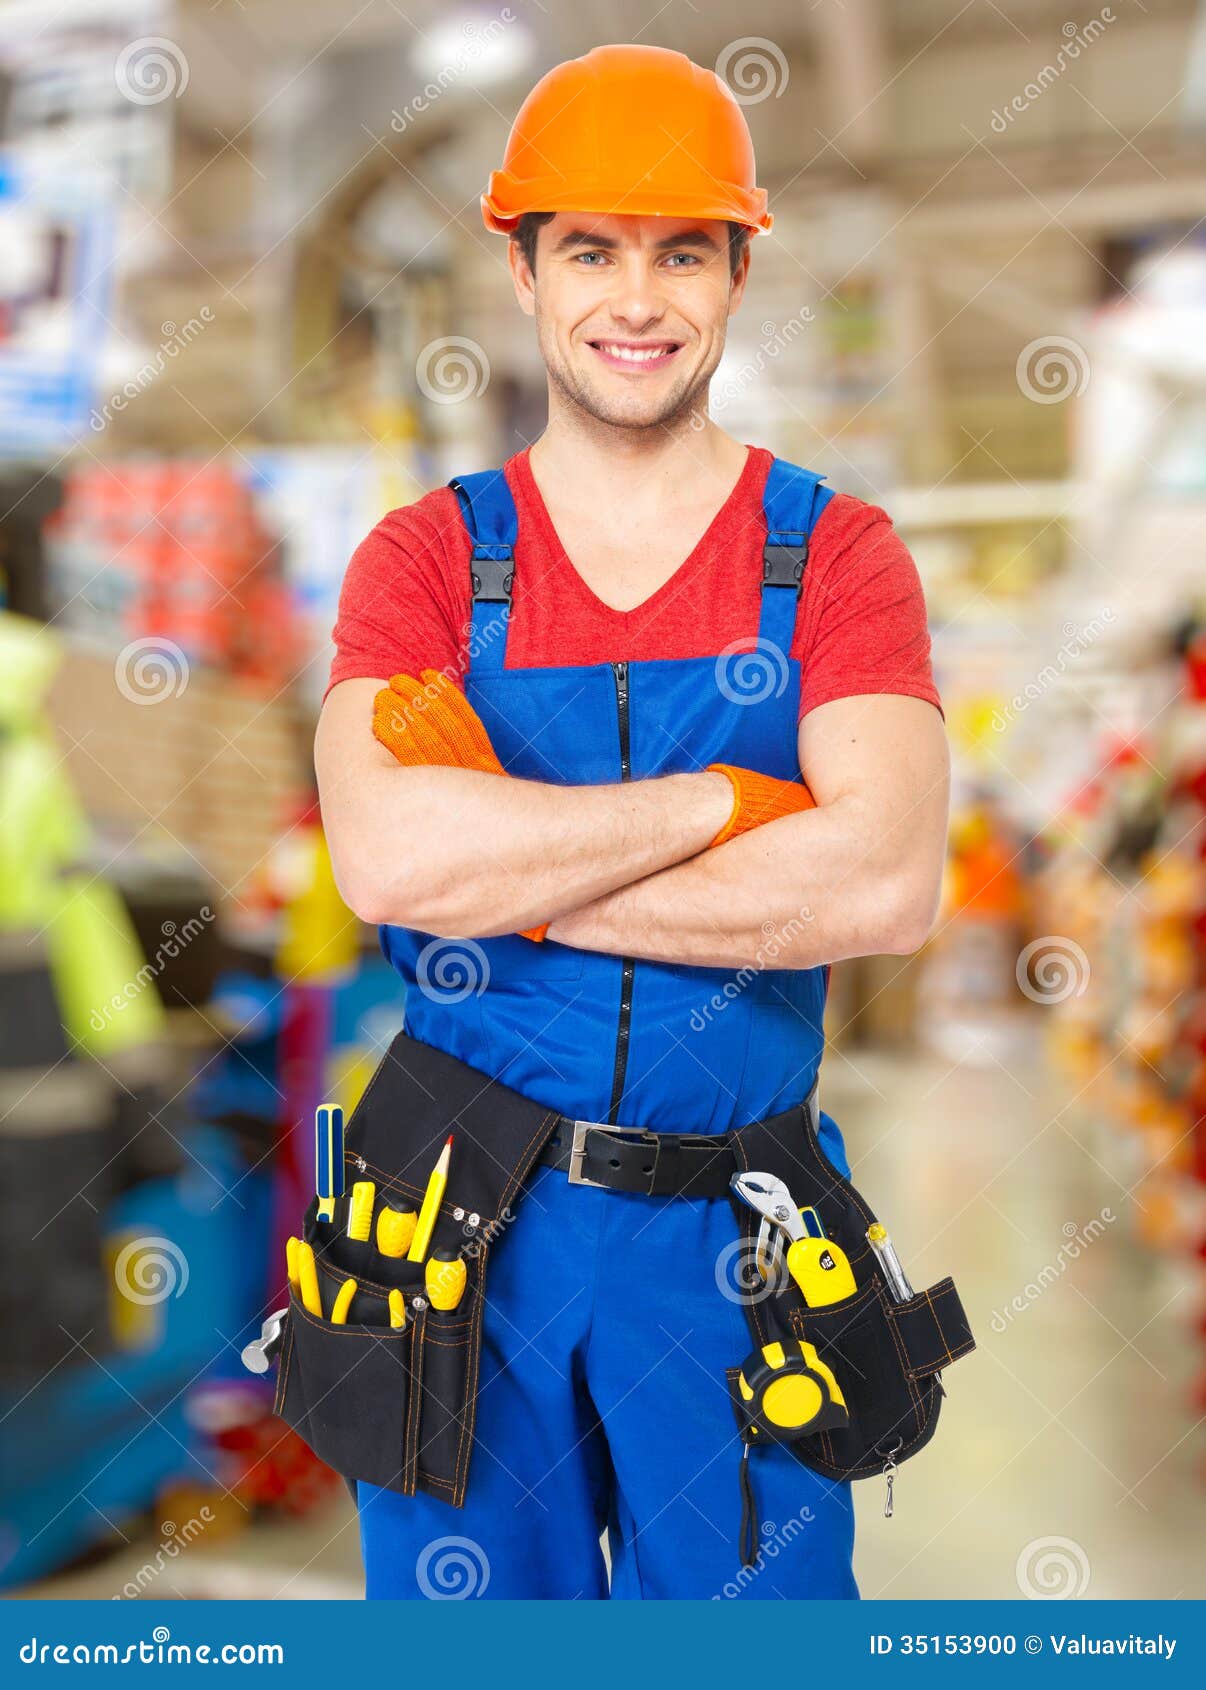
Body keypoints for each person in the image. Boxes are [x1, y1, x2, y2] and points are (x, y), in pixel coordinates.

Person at [315, 43, 948, 1601]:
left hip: (732, 1245)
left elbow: (880, 878)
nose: (635, 297)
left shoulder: (836, 558)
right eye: (588, 249)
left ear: (737, 273)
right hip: (453, 1235)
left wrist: (504, 865)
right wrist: (726, 807)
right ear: (522, 273)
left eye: (681, 251)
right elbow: (385, 861)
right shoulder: (425, 561)